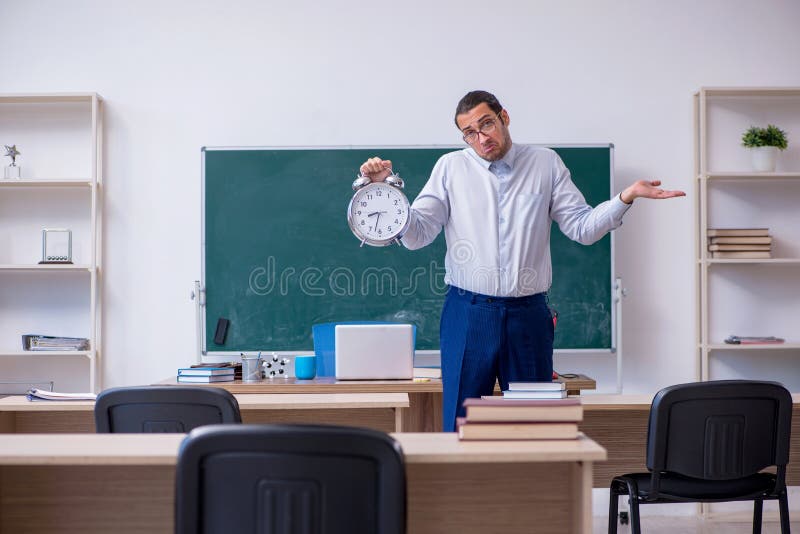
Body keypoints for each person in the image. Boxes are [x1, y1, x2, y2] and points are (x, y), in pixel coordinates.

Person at [359, 90, 685, 432]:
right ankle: (464, 486)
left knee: (534, 425)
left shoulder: (545, 163)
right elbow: (416, 236)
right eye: (470, 133)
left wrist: (624, 198)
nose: (481, 137)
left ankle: (532, 486)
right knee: (459, 424)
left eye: (487, 124)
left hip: (528, 316)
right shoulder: (450, 168)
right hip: (467, 313)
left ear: (504, 117)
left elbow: (582, 228)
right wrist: (387, 193)